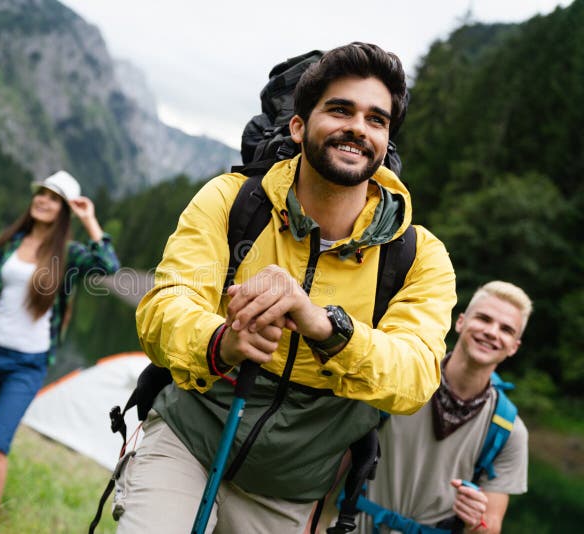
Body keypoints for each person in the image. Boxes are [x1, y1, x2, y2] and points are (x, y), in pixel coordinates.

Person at [121, 42, 456, 533]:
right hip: (188, 440)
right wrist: (223, 341)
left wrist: (327, 326)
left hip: (292, 488)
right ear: (299, 126)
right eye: (340, 109)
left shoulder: (418, 256)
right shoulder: (232, 200)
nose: (358, 128)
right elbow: (164, 307)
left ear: (386, 141)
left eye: (376, 119)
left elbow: (415, 376)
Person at [0, 170, 119, 534]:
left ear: (64, 208)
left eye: (53, 197)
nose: (43, 200)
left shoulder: (68, 255)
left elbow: (108, 266)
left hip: (27, 363)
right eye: (41, 193)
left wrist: (89, 219)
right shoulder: (11, 242)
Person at [349, 281, 531, 534]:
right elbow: (335, 465)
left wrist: (476, 521)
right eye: (484, 319)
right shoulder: (401, 381)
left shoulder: (508, 430)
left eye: (506, 329)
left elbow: (491, 526)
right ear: (460, 322)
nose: (491, 331)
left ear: (514, 347)